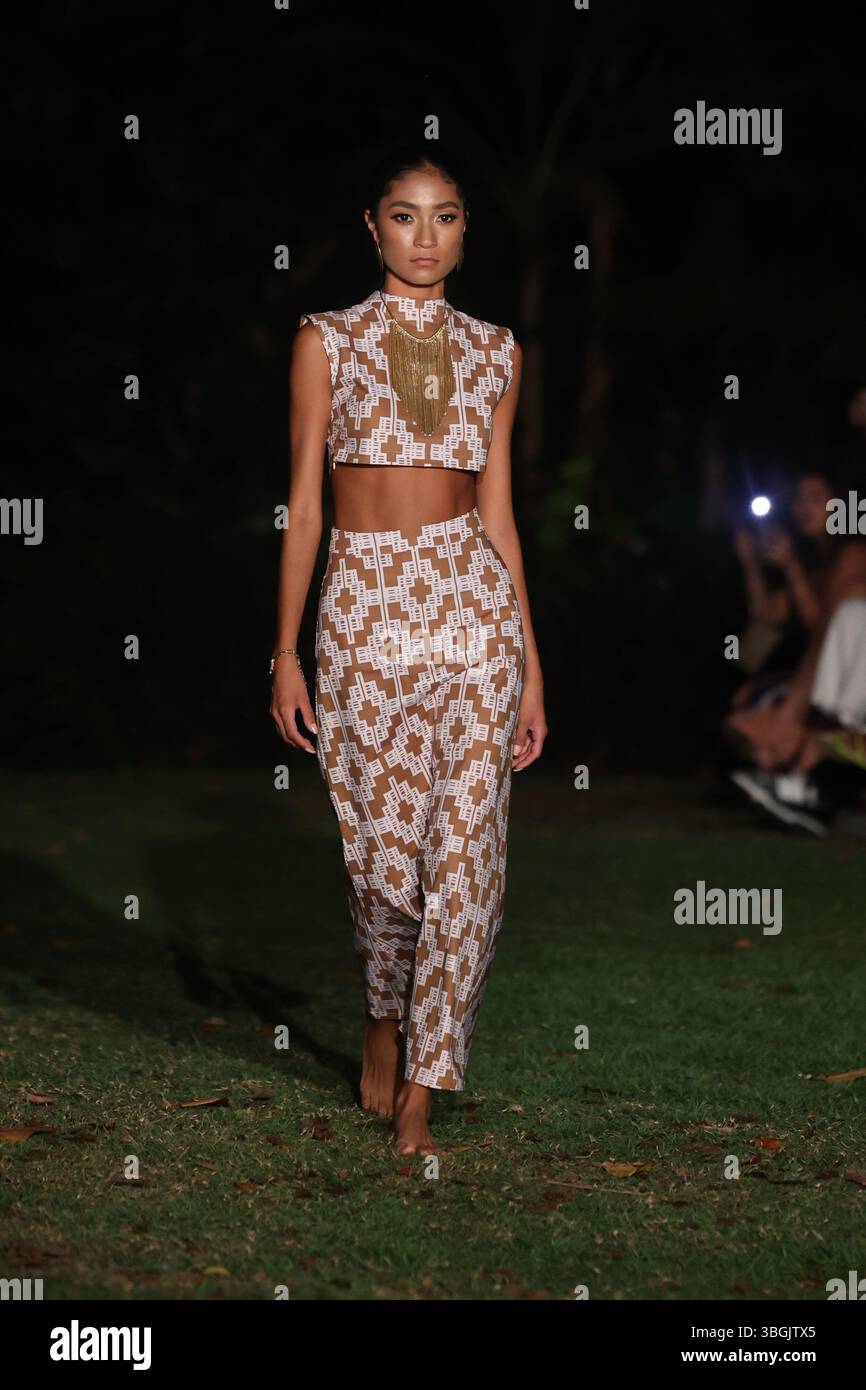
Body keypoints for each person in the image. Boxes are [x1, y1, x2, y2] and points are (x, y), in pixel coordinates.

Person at [270, 149, 547, 1156]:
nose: (424, 235)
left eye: (444, 216)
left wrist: (532, 669)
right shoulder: (325, 341)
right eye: (403, 215)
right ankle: (381, 1017)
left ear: (465, 230)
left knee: (464, 846)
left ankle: (424, 1091)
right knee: (381, 854)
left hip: (469, 604)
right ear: (371, 227)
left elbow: (503, 516)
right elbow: (303, 504)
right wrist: (284, 652)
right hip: (361, 604)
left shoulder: (496, 350)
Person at [728, 468, 866, 830]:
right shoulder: (814, 566)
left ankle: (802, 765)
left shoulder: (853, 553)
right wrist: (749, 563)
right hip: (829, 684)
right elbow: (766, 617)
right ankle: (808, 784)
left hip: (844, 681)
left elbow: (822, 628)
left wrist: (791, 712)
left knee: (851, 614)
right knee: (751, 696)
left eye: (816, 496)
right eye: (798, 499)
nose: (804, 506)